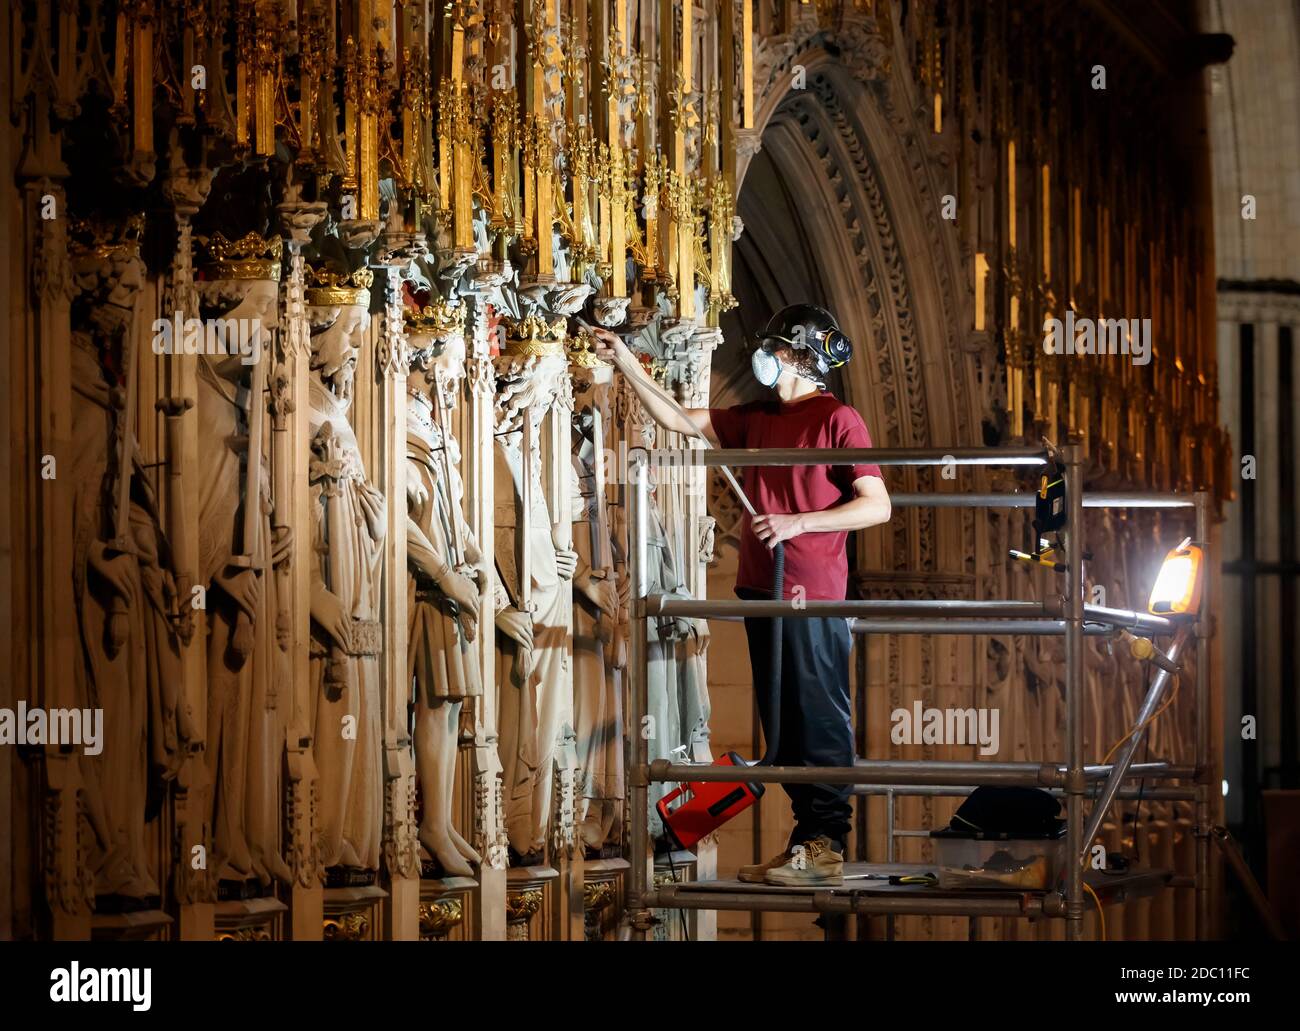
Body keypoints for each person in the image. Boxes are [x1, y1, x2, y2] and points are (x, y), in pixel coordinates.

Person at [592, 304, 891, 886]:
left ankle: (826, 841)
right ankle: (805, 839)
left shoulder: (838, 419)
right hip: (761, 590)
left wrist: (796, 524)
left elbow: (876, 504)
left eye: (775, 349)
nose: (766, 359)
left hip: (811, 594)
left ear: (799, 354)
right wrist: (627, 363)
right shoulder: (756, 417)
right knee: (782, 723)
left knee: (819, 718)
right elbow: (680, 419)